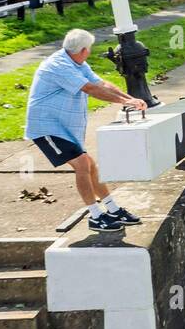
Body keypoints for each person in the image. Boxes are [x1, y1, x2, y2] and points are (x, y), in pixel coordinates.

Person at [24, 28, 148, 232]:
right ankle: (95, 216)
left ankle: (112, 209)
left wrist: (129, 99)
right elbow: (91, 89)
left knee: (90, 165)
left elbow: (101, 83)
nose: (89, 52)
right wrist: (122, 102)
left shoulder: (76, 61)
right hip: (46, 126)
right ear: (82, 50)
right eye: (88, 49)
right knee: (82, 164)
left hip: (62, 126)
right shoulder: (59, 66)